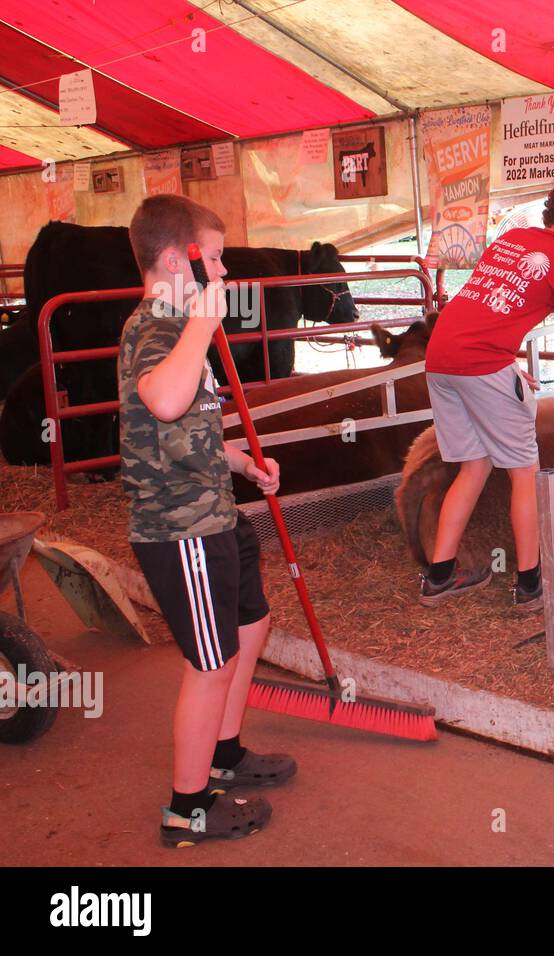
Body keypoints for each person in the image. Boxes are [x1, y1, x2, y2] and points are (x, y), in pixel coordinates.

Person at [118, 194, 295, 847]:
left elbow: (183, 428)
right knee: (210, 663)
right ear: (176, 258)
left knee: (253, 622)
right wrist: (202, 324)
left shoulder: (175, 326)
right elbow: (164, 400)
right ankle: (186, 808)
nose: (221, 273)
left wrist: (242, 462)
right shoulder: (158, 328)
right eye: (212, 258)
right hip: (179, 528)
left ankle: (224, 751)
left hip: (213, 506)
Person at [420, 177, 554, 610]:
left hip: (439, 356)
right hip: (480, 363)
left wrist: (506, 361)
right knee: (524, 473)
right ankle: (530, 584)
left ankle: (439, 576)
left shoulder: (511, 238)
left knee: (473, 466)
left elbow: (488, 304)